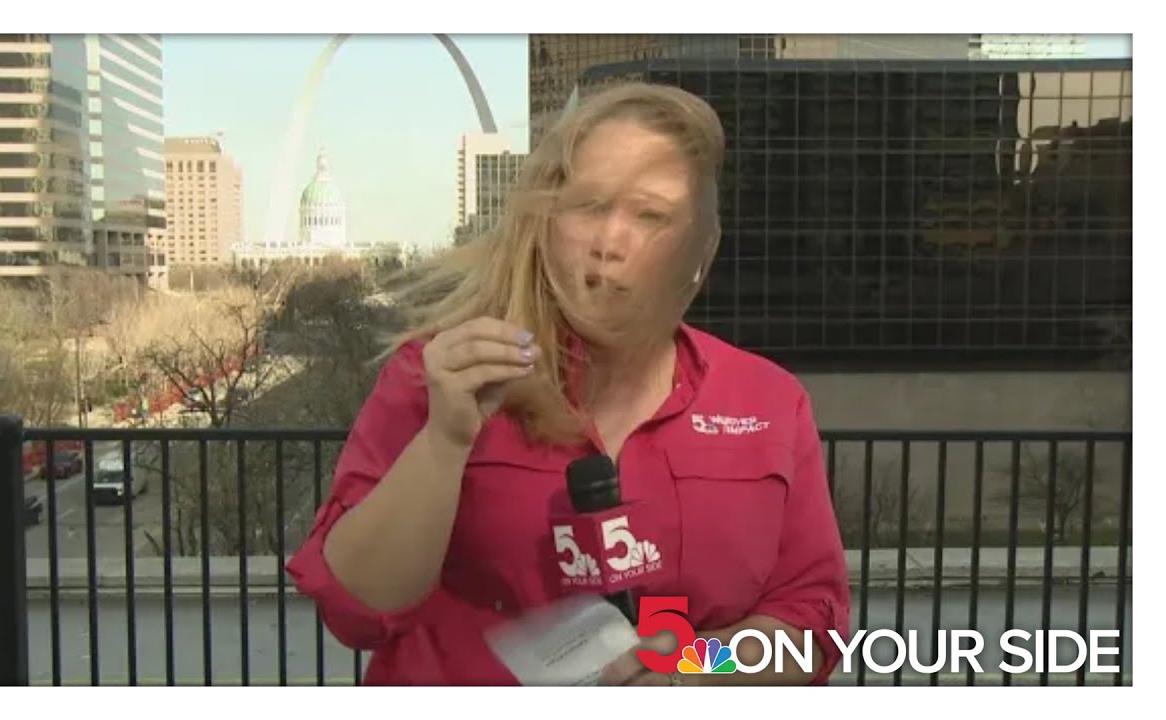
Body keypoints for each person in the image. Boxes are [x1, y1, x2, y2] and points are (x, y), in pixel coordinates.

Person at [286, 81, 851, 686]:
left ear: (701, 251)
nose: (609, 243)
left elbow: (808, 630)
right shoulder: (443, 375)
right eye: (589, 206)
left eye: (650, 216)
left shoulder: (766, 402)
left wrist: (689, 666)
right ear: (548, 224)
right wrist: (444, 443)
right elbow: (357, 608)